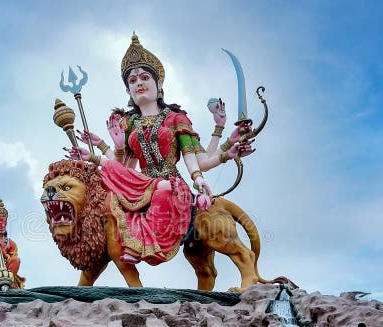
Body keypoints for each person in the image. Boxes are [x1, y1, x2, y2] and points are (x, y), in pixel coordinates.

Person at [69, 33, 255, 266]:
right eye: (132, 81)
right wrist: (107, 149)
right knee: (108, 196)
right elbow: (124, 170)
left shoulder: (176, 119)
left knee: (164, 190)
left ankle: (143, 246)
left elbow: (196, 160)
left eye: (144, 77)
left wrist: (204, 173)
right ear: (128, 91)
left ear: (159, 84)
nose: (138, 83)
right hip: (140, 185)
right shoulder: (129, 124)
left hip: (171, 186)